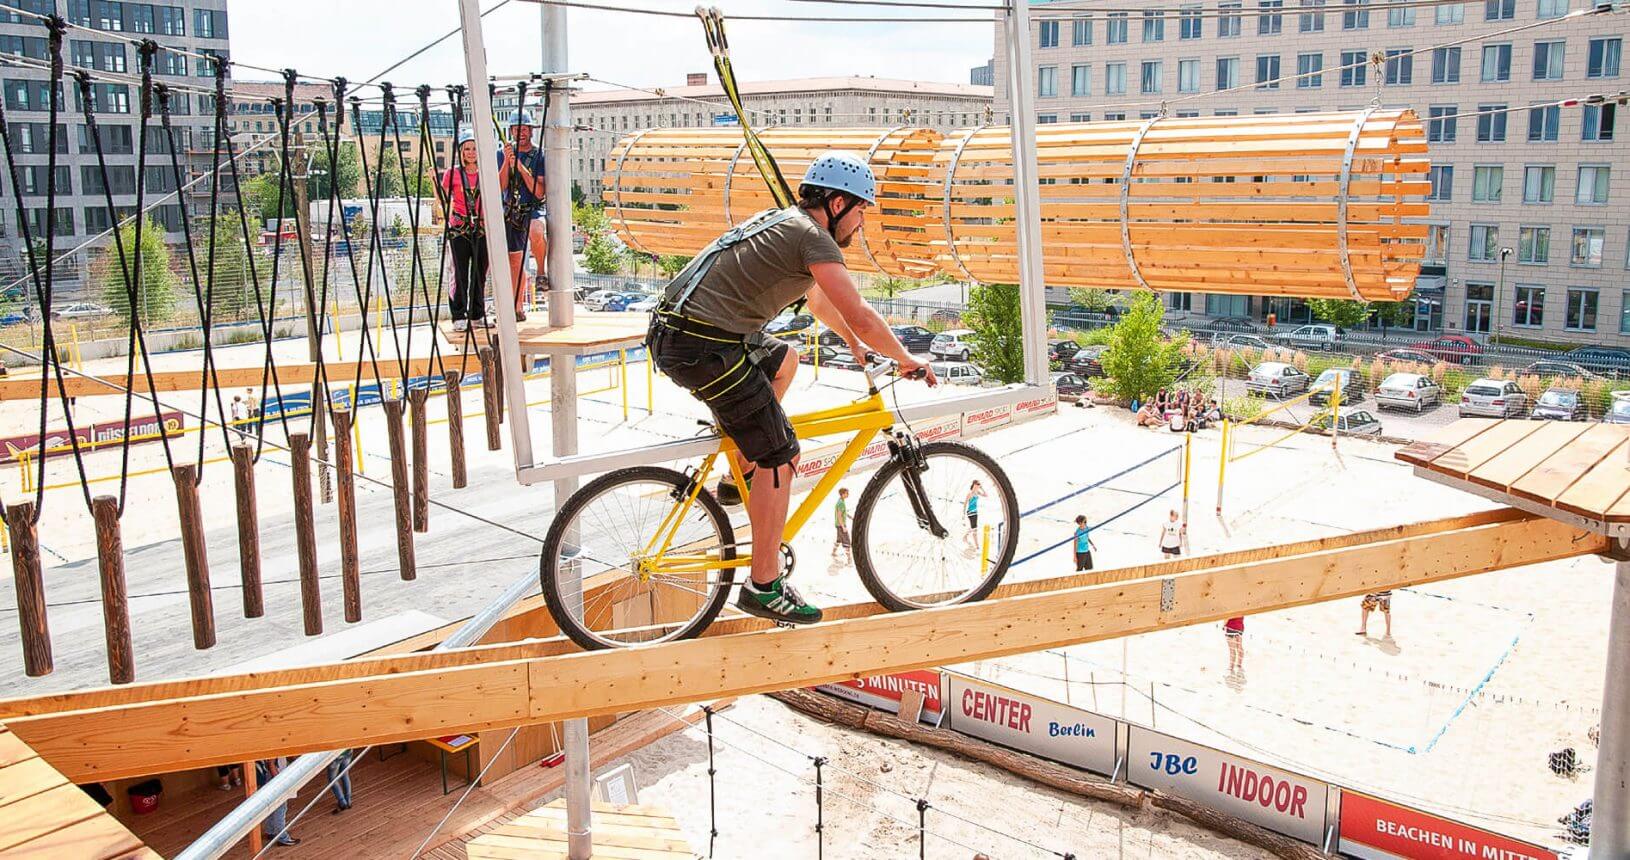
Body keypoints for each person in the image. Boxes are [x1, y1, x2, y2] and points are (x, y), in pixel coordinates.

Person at [648, 151, 936, 625]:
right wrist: (905, 358)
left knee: (785, 359)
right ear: (839, 203)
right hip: (702, 344)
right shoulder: (815, 240)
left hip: (689, 333)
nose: (861, 224)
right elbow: (861, 311)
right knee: (781, 455)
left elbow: (822, 301)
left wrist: (857, 347)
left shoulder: (786, 224)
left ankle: (737, 471)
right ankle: (764, 585)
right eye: (862, 210)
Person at [496, 111, 547, 321]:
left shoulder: (539, 155)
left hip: (533, 207)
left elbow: (539, 191)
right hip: (512, 210)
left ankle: (541, 272)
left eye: (524, 129)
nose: (520, 134)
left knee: (536, 230)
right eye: (516, 130)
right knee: (514, 261)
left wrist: (520, 166)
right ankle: (517, 307)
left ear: (530, 131)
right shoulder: (502, 154)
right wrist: (508, 162)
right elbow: (501, 186)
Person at [442, 129, 490, 331]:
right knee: (459, 273)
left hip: (481, 228)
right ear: (461, 152)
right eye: (467, 149)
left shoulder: (487, 173)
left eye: (474, 149)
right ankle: (458, 315)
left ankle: (477, 314)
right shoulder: (452, 174)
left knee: (480, 273)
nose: (471, 153)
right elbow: (444, 198)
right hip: (460, 228)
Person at [256, 758, 299, 847]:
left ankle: (270, 831)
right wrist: (281, 783)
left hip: (269, 780)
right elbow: (271, 765)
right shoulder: (276, 748)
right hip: (276, 780)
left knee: (272, 807)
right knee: (281, 809)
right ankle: (282, 837)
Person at [963, 479, 987, 552]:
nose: (978, 486)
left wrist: (982, 488)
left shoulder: (977, 492)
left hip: (975, 512)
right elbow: (965, 503)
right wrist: (963, 513)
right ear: (974, 485)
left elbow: (986, 495)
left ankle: (965, 536)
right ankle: (977, 546)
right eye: (977, 485)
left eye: (979, 485)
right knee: (975, 529)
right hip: (970, 512)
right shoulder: (970, 494)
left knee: (973, 527)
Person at [326, 748, 353, 813]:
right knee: (345, 774)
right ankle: (348, 800)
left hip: (336, 756)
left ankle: (342, 802)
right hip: (348, 752)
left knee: (332, 779)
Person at [832, 486, 852, 566]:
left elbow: (843, 513)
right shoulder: (840, 503)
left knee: (839, 539)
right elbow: (839, 515)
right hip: (841, 525)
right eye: (847, 493)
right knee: (847, 541)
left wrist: (849, 516)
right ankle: (849, 559)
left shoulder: (841, 501)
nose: (848, 494)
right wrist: (843, 527)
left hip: (838, 525)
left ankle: (833, 552)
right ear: (843, 494)